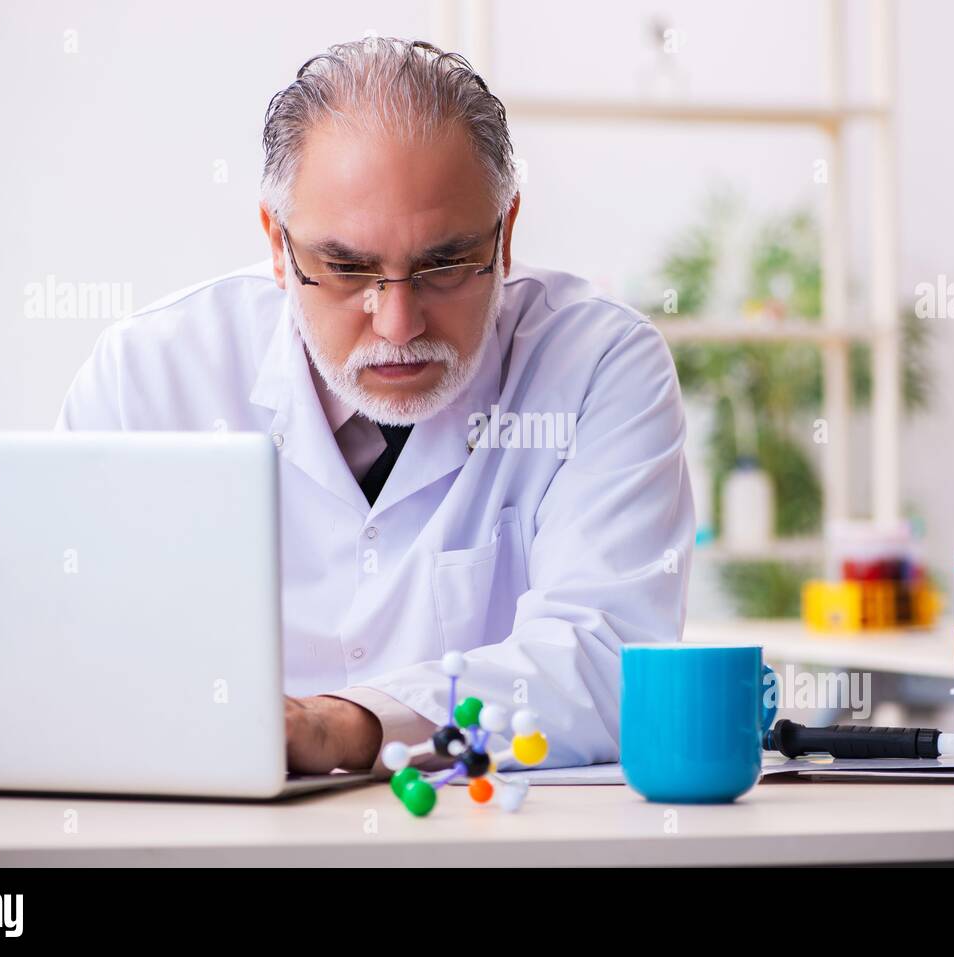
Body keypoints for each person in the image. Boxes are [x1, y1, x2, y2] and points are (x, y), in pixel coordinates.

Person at [56, 37, 694, 776]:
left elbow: (610, 656)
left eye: (445, 265)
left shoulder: (598, 365)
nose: (399, 326)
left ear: (507, 232)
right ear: (277, 242)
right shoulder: (152, 377)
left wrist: (352, 725)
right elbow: (76, 648)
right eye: (349, 267)